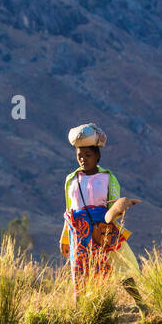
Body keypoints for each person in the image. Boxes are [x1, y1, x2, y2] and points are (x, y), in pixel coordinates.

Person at [58, 124, 142, 301]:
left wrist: (120, 209)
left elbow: (114, 207)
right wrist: (64, 238)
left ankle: (141, 304)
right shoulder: (70, 180)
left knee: (121, 267)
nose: (83, 159)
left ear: (97, 156)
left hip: (103, 230)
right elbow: (69, 210)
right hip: (79, 234)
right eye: (79, 156)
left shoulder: (108, 178)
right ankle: (81, 311)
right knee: (79, 273)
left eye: (88, 155)